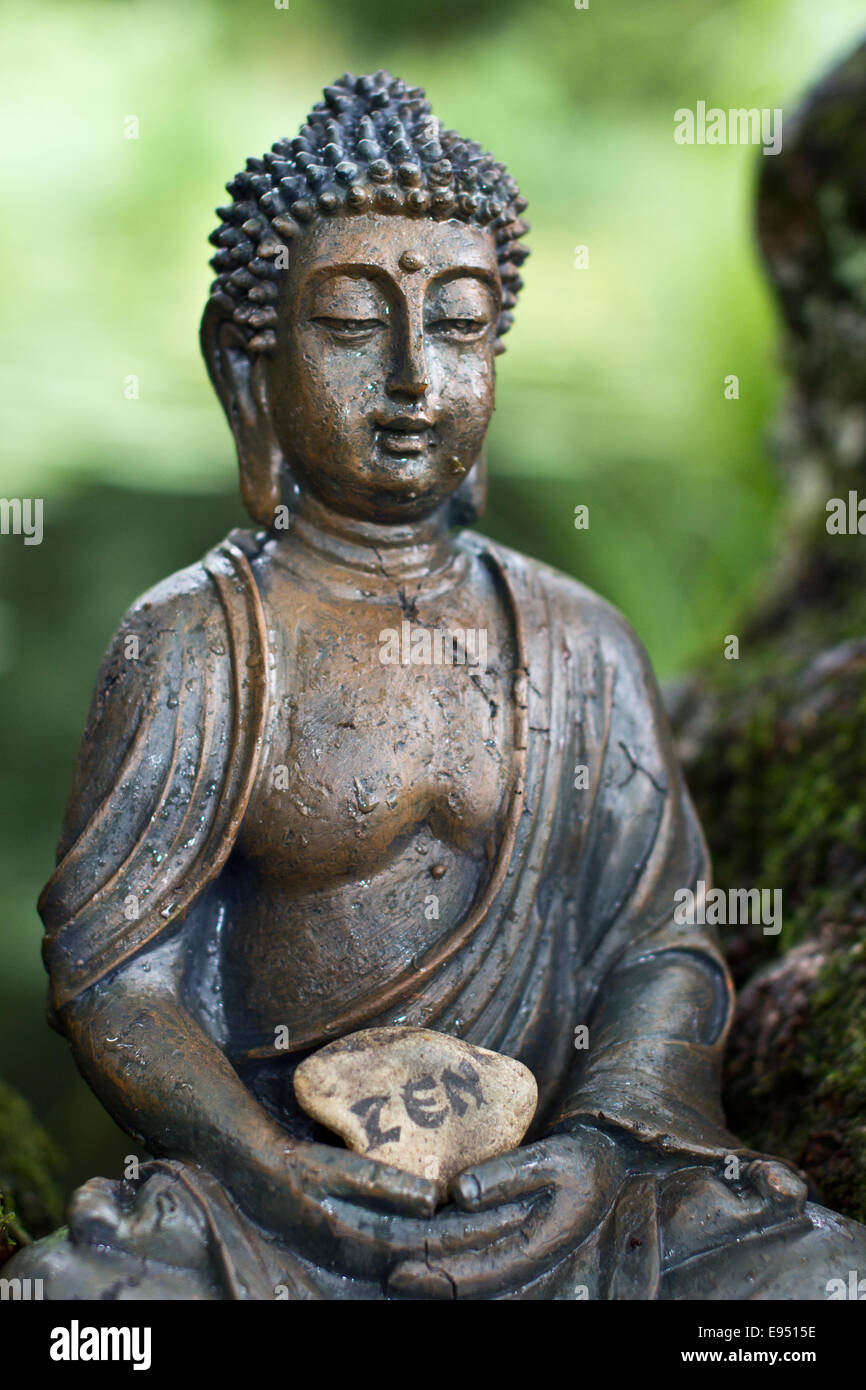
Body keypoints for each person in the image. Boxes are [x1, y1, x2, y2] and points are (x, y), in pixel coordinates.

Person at [11, 70, 866, 1300]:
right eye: (354, 326)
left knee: (818, 1285)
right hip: (281, 1207)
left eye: (459, 325)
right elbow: (117, 984)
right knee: (75, 1308)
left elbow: (659, 947)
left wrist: (598, 1146)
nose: (414, 376)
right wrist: (264, 1166)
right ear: (245, 364)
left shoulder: (578, 640)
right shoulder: (199, 641)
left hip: (563, 1203)